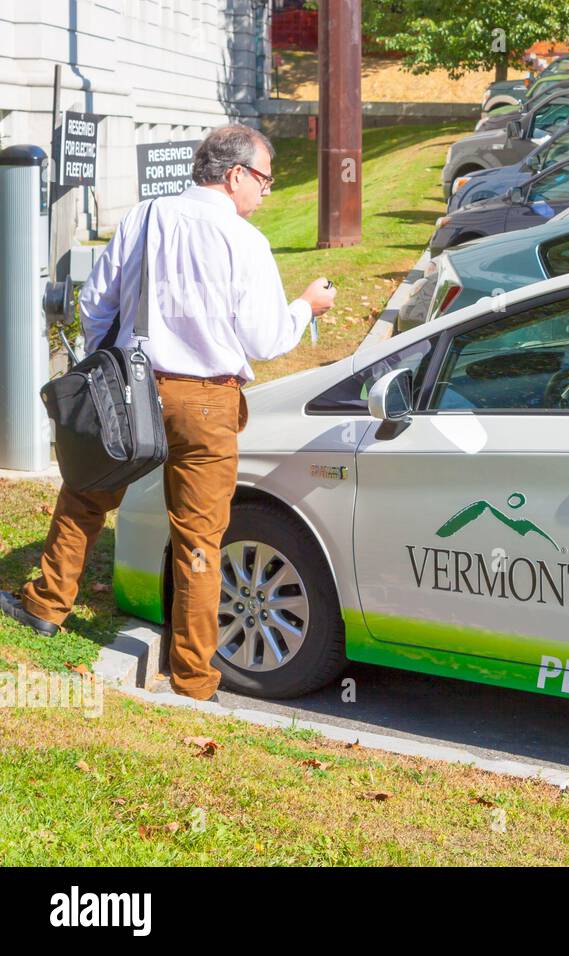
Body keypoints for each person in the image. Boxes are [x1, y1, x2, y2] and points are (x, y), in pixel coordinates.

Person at [0, 123, 335, 701]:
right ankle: (194, 677)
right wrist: (306, 305)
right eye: (264, 180)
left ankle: (48, 603)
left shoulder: (143, 217)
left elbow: (94, 302)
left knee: (86, 493)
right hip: (209, 402)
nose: (266, 192)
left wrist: (107, 357)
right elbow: (265, 338)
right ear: (235, 176)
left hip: (134, 385)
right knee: (201, 538)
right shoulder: (245, 241)